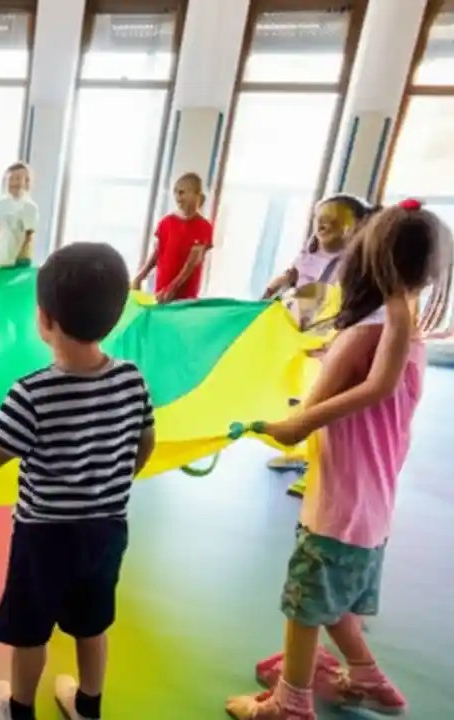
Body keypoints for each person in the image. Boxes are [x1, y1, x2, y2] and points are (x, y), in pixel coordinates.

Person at [225, 199, 453, 720]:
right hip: (371, 510)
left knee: (305, 608)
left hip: (336, 507)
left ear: (369, 261)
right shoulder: (406, 335)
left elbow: (332, 403)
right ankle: (368, 675)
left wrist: (296, 422)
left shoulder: (371, 335)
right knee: (336, 599)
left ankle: (291, 702)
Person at [0, 242, 156, 720]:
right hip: (106, 529)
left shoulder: (32, 393)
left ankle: (19, 709)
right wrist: (120, 478)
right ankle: (88, 703)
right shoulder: (131, 379)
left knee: (30, 630)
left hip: (44, 536)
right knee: (92, 623)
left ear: (44, 319)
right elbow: (143, 443)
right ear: (117, 313)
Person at [262, 195, 377, 493]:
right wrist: (279, 282)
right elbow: (296, 274)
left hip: (329, 341)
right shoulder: (311, 251)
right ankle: (298, 452)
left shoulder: (356, 264)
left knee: (321, 400)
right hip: (302, 332)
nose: (324, 225)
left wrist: (335, 344)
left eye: (334, 221)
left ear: (355, 227)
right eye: (320, 220)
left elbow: (352, 308)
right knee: (296, 395)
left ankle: (315, 468)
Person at [132, 172, 212, 303]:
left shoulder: (204, 227)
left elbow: (192, 263)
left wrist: (172, 287)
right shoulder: (166, 223)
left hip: (185, 297)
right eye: (175, 193)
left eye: (182, 192)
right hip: (161, 292)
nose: (177, 197)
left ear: (198, 196)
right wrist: (141, 276)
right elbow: (157, 253)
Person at [0, 161, 39, 270]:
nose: (14, 183)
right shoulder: (1, 204)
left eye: (19, 178)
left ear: (27, 181)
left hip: (20, 263)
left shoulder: (30, 207)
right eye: (11, 178)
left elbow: (28, 238)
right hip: (2, 259)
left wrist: (18, 264)